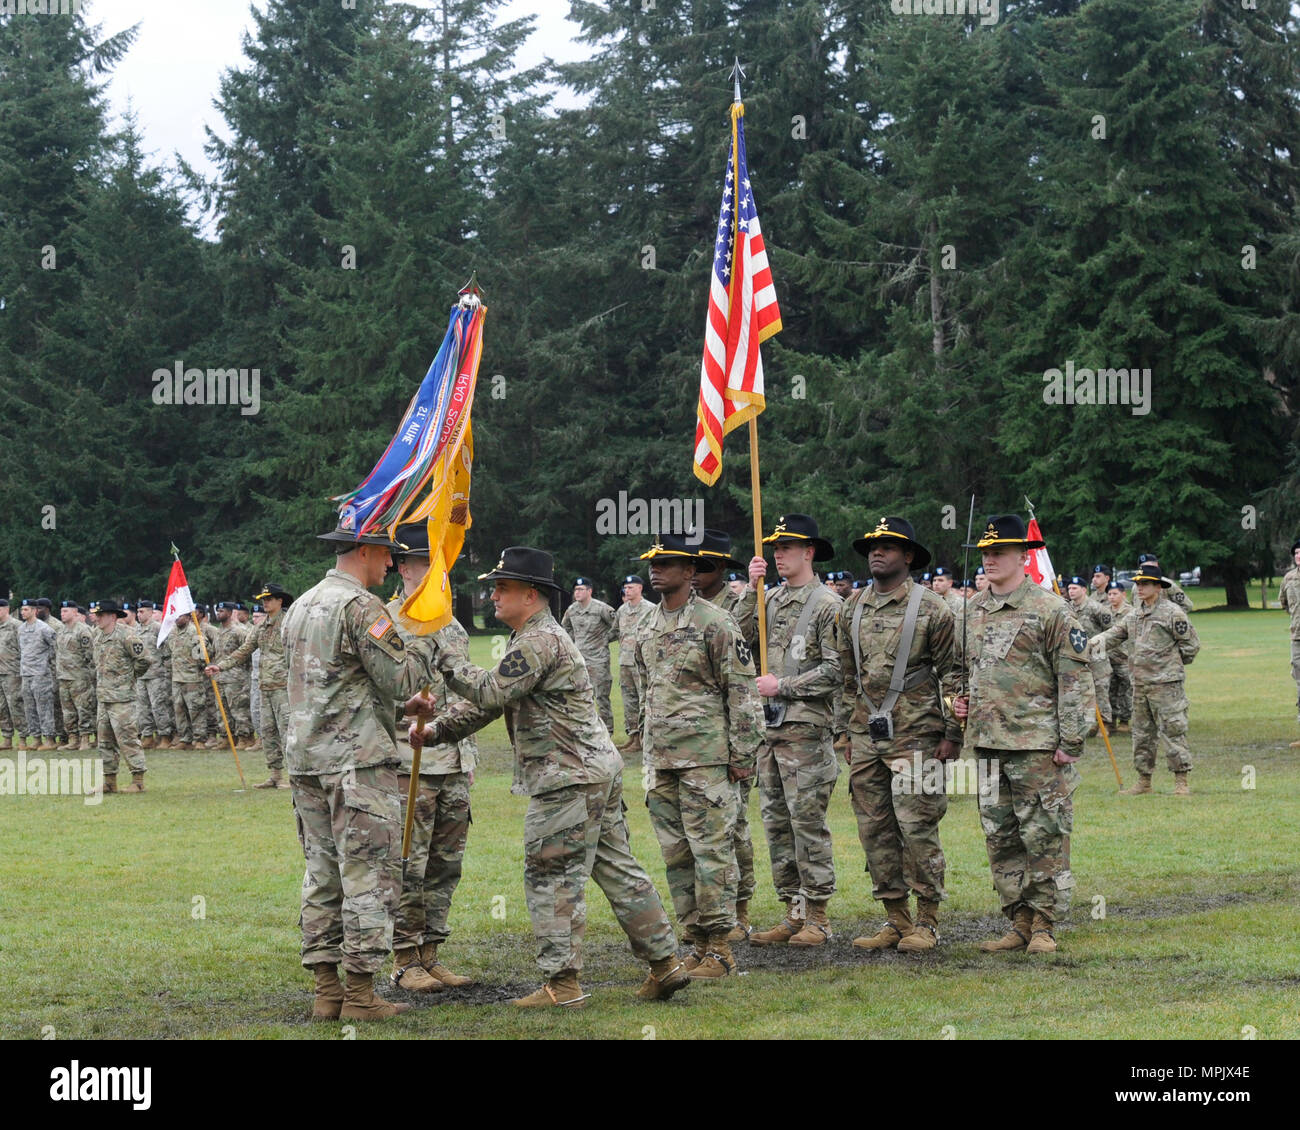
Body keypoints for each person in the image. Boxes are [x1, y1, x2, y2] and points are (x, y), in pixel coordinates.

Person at [412, 545, 689, 1007]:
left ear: (532, 594)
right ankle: (666, 964)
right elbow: (493, 702)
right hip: (591, 773)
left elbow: (487, 690)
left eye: (503, 587)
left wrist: (440, 651)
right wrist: (438, 731)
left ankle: (562, 984)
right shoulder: (534, 640)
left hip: (568, 780)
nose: (494, 596)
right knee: (619, 870)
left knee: (551, 876)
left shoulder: (539, 641)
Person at [282, 520, 433, 1022]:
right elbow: (400, 675)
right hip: (356, 764)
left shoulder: (302, 604)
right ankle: (362, 996)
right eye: (386, 554)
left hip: (307, 761)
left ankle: (328, 992)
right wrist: (421, 629)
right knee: (368, 874)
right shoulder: (362, 606)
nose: (391, 564)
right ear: (366, 551)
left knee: (322, 876)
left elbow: (337, 681)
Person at [952, 515, 1092, 955]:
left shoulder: (1050, 609)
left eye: (998, 552)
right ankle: (1018, 921)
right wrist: (954, 702)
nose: (989, 560)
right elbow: (962, 672)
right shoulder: (971, 609)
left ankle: (1046, 924)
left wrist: (1070, 743)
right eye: (985, 553)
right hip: (989, 743)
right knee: (1002, 838)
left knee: (1045, 835)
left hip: (1037, 745)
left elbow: (1074, 678)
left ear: (1022, 556)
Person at [634, 533, 763, 978]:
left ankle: (722, 947)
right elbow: (642, 687)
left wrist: (743, 754)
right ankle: (694, 941)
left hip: (708, 761)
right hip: (663, 761)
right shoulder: (646, 625)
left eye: (667, 562)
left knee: (713, 854)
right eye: (653, 561)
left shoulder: (717, 622)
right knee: (677, 856)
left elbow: (742, 693)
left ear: (690, 571)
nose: (656, 569)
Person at [838, 517, 960, 952]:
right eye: (873, 545)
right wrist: (846, 734)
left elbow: (954, 677)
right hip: (866, 737)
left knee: (917, 827)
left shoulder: (933, 610)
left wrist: (953, 734)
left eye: (888, 546)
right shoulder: (851, 607)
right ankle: (896, 918)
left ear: (908, 556)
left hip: (918, 737)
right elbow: (846, 677)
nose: (877, 552)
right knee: (874, 830)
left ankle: (928, 919)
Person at [733, 514, 842, 948]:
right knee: (777, 823)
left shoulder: (827, 604)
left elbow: (836, 670)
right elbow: (735, 637)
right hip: (769, 731)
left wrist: (785, 686)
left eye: (787, 548)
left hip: (806, 731)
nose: (778, 555)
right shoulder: (770, 598)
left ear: (808, 553)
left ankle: (818, 914)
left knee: (807, 822)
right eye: (774, 549)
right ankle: (792, 911)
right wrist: (750, 590)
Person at [383, 522, 476, 994]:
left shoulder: (451, 624)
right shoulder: (385, 621)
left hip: (454, 761)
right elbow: (375, 691)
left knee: (445, 863)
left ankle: (432, 952)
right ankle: (403, 957)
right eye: (425, 563)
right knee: (407, 862)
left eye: (440, 564)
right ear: (402, 566)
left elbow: (469, 689)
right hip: (406, 761)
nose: (435, 572)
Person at [689, 529, 754, 942]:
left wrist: (742, 750)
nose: (696, 573)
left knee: (735, 827)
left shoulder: (736, 606)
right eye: (691, 565)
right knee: (696, 834)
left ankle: (740, 909)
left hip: (728, 733)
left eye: (705, 567)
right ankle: (704, 913)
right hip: (689, 743)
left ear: (722, 570)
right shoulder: (677, 608)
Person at [1098, 564, 1200, 796]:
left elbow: (1191, 646)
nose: (1139, 588)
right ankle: (1144, 781)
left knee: (1173, 730)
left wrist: (1170, 667)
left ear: (1157, 586)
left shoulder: (1172, 613)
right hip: (1140, 684)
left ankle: (1181, 781)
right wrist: (1089, 644)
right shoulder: (1134, 614)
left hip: (1166, 686)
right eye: (1138, 583)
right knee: (1142, 734)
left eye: (1144, 584)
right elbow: (1113, 636)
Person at [206, 585, 292, 787]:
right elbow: (244, 650)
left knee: (288, 732)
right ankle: (275, 775)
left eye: (269, 598)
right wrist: (220, 666)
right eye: (263, 599)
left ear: (280, 601)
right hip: (266, 686)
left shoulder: (289, 623)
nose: (265, 602)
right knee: (268, 732)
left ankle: (293, 777)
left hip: (284, 687)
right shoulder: (260, 627)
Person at [91, 599, 150, 794]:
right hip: (104, 697)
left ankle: (138, 780)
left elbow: (144, 660)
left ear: (113, 616)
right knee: (105, 741)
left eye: (101, 615)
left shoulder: (127, 635)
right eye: (97, 615)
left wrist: (129, 678)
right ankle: (109, 781)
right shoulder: (97, 636)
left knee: (128, 739)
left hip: (122, 698)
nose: (97, 618)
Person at [561, 577, 617, 736]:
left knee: (602, 698)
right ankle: (586, 731)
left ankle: (607, 733)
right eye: (575, 590)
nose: (577, 593)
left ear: (589, 591)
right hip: (579, 661)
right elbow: (565, 628)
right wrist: (573, 642)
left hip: (598, 661)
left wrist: (605, 640)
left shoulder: (601, 609)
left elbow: (618, 626)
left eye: (580, 590)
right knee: (580, 698)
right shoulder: (572, 610)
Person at [613, 573, 656, 754]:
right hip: (625, 661)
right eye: (626, 588)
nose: (627, 590)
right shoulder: (622, 610)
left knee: (643, 699)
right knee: (628, 700)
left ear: (640, 588)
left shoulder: (651, 609)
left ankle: (646, 738)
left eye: (631, 587)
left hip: (642, 662)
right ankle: (633, 737)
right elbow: (615, 631)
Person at [1066, 573, 1114, 733]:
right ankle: (1089, 724)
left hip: (1097, 657)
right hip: (1077, 657)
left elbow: (1112, 630)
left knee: (1100, 690)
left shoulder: (1097, 608)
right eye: (1069, 588)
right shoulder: (1066, 609)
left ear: (1084, 590)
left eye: (1075, 588)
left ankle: (1105, 725)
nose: (1071, 591)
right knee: (1082, 691)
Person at [55, 600, 96, 750]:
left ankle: (85, 738)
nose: (62, 614)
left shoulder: (83, 630)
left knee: (83, 708)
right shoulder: (61, 630)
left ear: (74, 612)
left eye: (65, 611)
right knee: (68, 710)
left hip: (79, 677)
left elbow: (90, 655)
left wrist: (88, 675)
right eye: (61, 611)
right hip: (63, 676)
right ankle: (73, 738)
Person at [213, 602, 255, 747]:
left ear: (231, 613)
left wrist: (246, 672)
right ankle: (227, 737)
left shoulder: (239, 631)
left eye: (222, 611)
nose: (218, 613)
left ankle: (246, 737)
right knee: (222, 710)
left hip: (236, 678)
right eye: (217, 611)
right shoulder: (217, 632)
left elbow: (249, 652)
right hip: (220, 677)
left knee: (239, 709)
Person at [18, 598, 57, 750]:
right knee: (29, 708)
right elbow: (21, 650)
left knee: (44, 707)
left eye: (26, 609)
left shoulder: (44, 628)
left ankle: (49, 739)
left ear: (35, 611)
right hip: (26, 673)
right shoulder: (20, 629)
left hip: (41, 673)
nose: (23, 612)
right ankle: (36, 739)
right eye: (22, 610)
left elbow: (55, 647)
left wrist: (47, 662)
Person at [1278, 538, 1300, 747]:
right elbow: (1285, 604)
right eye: (1297, 553)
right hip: (1298, 639)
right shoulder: (1289, 579)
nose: (1299, 556)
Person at [1105, 581, 1133, 732]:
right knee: (1110, 690)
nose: (1111, 597)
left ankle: (1124, 720)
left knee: (1126, 690)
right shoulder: (1104, 612)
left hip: (1125, 658)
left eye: (1115, 594)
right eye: (1109, 594)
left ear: (1123, 594)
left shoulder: (1131, 612)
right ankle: (1110, 720)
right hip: (1108, 658)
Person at [0, 599, 25, 750]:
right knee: (1, 707)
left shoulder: (17, 626)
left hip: (13, 672)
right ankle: (7, 739)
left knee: (15, 705)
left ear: (6, 609)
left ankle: (22, 738)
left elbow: (24, 649)